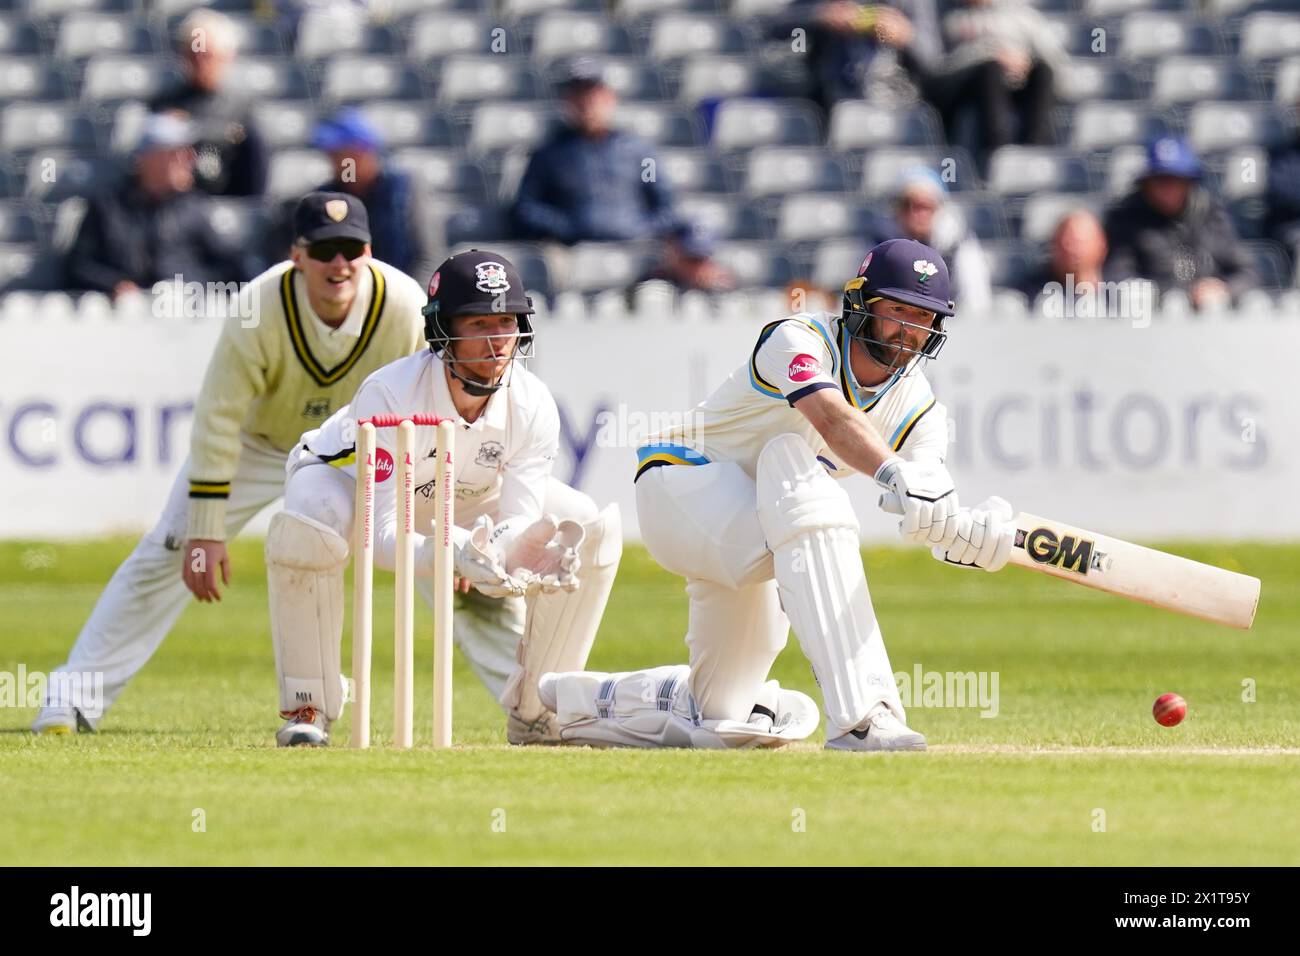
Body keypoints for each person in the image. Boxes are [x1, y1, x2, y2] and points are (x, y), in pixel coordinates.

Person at [540, 238, 1017, 752]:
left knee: (721, 715)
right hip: (681, 487)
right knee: (795, 462)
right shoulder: (797, 337)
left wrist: (964, 535)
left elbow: (926, 492)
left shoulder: (921, 407)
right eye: (895, 309)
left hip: (761, 527)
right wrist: (894, 473)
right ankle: (864, 717)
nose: (908, 329)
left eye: (922, 317)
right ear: (860, 304)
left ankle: (575, 705)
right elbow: (833, 420)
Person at [33, 192, 429, 733]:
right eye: (324, 251)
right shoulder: (258, 305)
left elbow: (423, 399)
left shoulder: (403, 303)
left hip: (354, 450)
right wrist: (205, 531)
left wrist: (438, 509)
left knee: (451, 557)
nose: (339, 264)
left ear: (368, 250)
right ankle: (71, 699)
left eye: (350, 250)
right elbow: (218, 417)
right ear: (297, 254)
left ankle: (530, 704)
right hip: (260, 443)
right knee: (166, 554)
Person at [269, 250, 622, 746]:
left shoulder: (533, 403)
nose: (497, 340)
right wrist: (450, 554)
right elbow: (382, 538)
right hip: (346, 482)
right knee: (313, 521)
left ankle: (539, 711)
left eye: (506, 322)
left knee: (590, 528)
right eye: (478, 323)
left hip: (466, 494)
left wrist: (514, 558)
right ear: (442, 332)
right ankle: (308, 706)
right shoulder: (391, 395)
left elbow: (516, 520)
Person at [63, 113, 254, 297]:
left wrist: (196, 288)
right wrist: (114, 285)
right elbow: (79, 266)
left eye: (190, 153)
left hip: (188, 317)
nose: (189, 160)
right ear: (149, 157)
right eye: (177, 152)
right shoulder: (108, 207)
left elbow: (233, 265)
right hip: (126, 318)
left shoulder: (196, 209)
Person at [511, 59, 678, 246]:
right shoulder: (550, 154)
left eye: (593, 97)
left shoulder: (639, 153)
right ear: (568, 101)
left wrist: (638, 229)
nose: (587, 106)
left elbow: (665, 208)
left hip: (634, 251)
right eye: (579, 97)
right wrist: (567, 228)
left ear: (610, 98)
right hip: (573, 252)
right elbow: (527, 208)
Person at [268, 109, 441, 281]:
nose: (335, 163)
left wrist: (410, 297)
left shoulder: (405, 190)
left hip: (400, 293)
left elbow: (427, 258)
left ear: (365, 153)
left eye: (342, 155)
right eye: (332, 156)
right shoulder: (326, 195)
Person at [1104, 137, 1258, 309]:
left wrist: (1224, 288)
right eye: (1160, 180)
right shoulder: (1127, 220)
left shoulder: (1211, 216)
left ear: (1189, 183)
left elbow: (1247, 273)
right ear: (1146, 183)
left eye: (1175, 180)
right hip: (1152, 319)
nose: (1167, 188)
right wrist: (1179, 294)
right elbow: (1118, 279)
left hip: (1210, 318)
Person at [931, 0, 1062, 174]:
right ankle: (999, 155)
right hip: (964, 87)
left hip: (1018, 82)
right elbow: (935, 69)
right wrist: (990, 55)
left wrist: (1025, 62)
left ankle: (1035, 151)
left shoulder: (1024, 16)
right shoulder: (945, 16)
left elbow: (1057, 62)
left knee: (1043, 71)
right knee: (990, 70)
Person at [149, 8, 268, 197]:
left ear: (226, 57)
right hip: (177, 208)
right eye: (193, 55)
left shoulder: (242, 109)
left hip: (227, 203)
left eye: (207, 56)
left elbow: (255, 173)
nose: (200, 63)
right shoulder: (165, 104)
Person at [767, 0, 944, 113]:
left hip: (900, 103)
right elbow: (776, 26)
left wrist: (902, 34)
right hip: (833, 102)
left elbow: (932, 60)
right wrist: (820, 15)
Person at [866, 166, 992, 314]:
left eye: (924, 206)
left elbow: (974, 299)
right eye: (907, 204)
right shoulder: (880, 246)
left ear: (938, 208)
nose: (915, 213)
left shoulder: (959, 244)